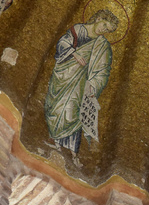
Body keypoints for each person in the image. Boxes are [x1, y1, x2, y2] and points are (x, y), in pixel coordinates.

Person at [43, 10, 118, 158]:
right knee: (57, 109)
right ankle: (54, 141)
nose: (104, 30)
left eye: (107, 30)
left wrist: (94, 85)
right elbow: (62, 43)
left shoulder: (102, 45)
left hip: (81, 85)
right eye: (104, 25)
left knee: (72, 111)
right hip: (63, 77)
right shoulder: (78, 29)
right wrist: (74, 53)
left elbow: (103, 71)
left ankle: (69, 151)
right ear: (98, 18)